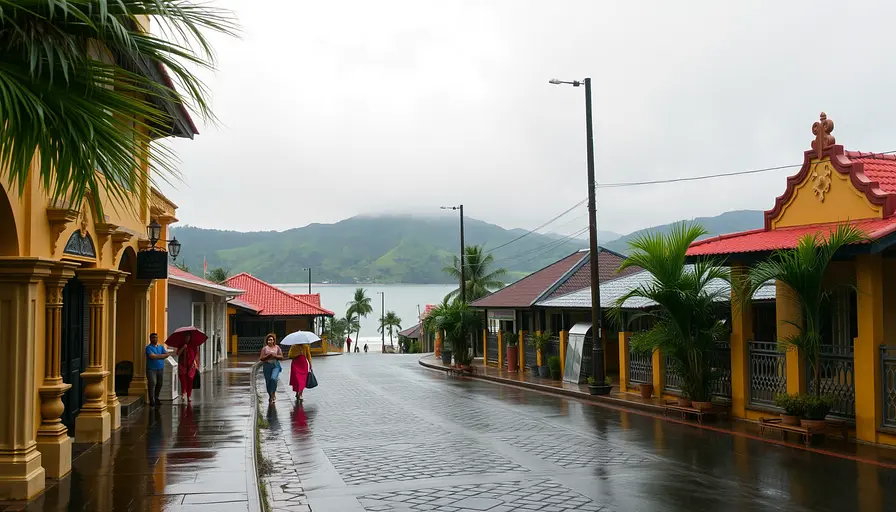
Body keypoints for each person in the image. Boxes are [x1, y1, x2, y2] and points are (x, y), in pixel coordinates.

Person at [260, 333, 284, 403]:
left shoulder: (277, 347)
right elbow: (261, 358)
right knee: (268, 381)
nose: (270, 341)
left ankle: (273, 393)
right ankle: (270, 395)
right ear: (267, 341)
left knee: (273, 379)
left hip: (275, 365)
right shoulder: (264, 349)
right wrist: (268, 356)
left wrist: (275, 356)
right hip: (267, 366)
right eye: (269, 340)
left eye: (271, 340)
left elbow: (281, 357)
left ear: (274, 341)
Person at [145, 333, 168, 406]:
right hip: (151, 369)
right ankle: (152, 400)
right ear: (150, 338)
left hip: (160, 368)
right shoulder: (148, 348)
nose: (155, 339)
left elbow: (167, 354)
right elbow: (152, 357)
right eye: (153, 337)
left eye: (156, 337)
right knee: (152, 384)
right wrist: (162, 356)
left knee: (159, 384)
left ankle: (156, 397)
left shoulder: (161, 347)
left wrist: (157, 356)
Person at [175, 333, 199, 402]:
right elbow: (177, 353)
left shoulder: (194, 345)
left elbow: (196, 355)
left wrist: (195, 363)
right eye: (186, 337)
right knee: (183, 380)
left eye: (188, 337)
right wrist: (183, 348)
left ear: (190, 337)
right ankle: (183, 393)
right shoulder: (181, 345)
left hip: (191, 365)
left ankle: (189, 395)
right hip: (182, 365)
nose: (187, 338)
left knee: (190, 380)